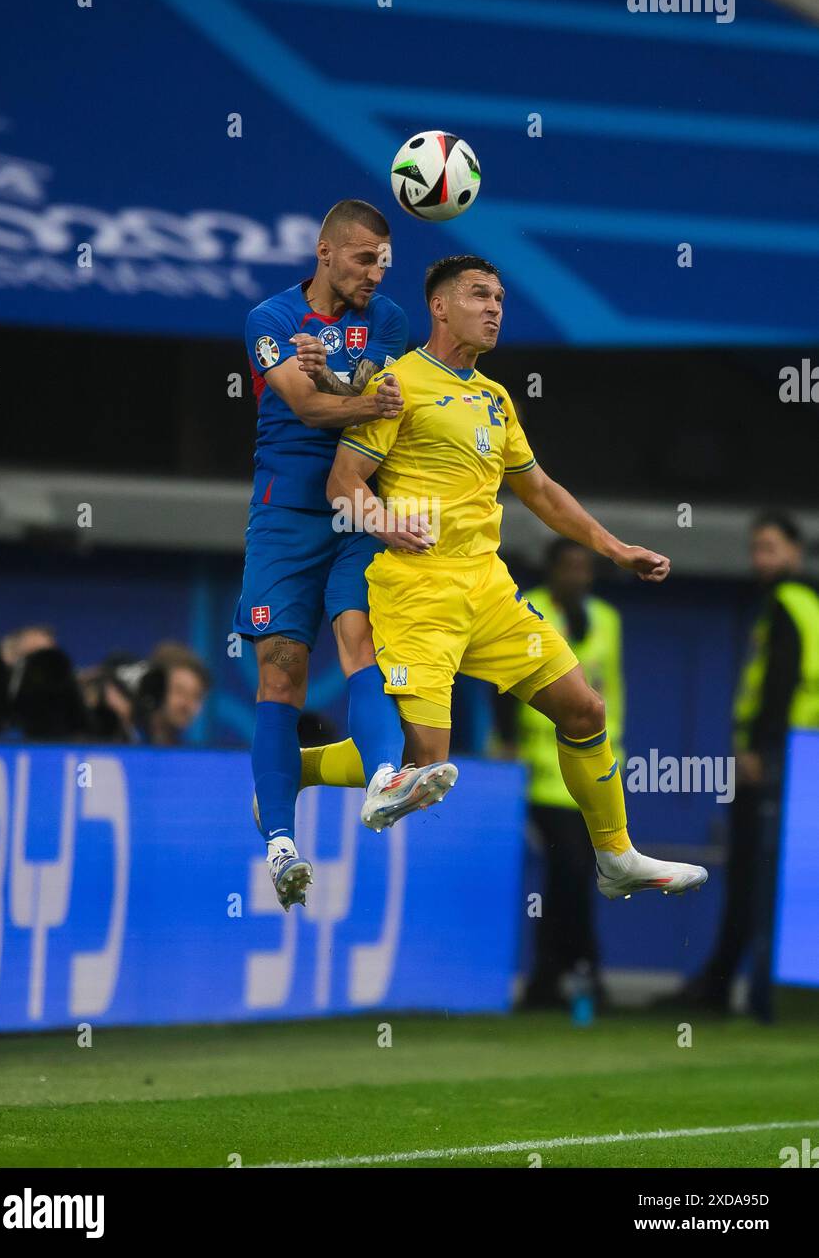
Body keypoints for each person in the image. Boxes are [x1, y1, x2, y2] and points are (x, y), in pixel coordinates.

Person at [324, 254, 708, 901]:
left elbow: (542, 492)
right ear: (440, 307)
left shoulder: (496, 400)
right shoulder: (398, 383)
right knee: (424, 766)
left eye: (501, 296)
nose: (496, 306)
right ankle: (293, 770)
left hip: (490, 590)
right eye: (480, 294)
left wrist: (616, 548)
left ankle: (615, 857)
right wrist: (384, 521)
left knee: (585, 708)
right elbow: (344, 483)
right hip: (420, 589)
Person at [234, 199, 457, 910]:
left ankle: (385, 778)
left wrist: (339, 383)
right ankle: (281, 845)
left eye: (383, 263)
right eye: (364, 259)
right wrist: (344, 389)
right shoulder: (268, 320)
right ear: (324, 251)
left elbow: (370, 399)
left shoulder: (387, 320)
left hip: (357, 507)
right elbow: (306, 406)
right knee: (281, 672)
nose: (375, 274)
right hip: (284, 518)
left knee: (358, 636)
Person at [665, 512, 819, 1014]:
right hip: (795, 757)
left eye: (771, 548)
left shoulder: (787, 606)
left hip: (775, 758)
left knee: (755, 873)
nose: (760, 559)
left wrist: (755, 748)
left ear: (796, 552)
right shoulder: (800, 605)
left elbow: (779, 682)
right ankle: (738, 985)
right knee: (763, 874)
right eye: (755, 549)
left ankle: (737, 990)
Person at [505, 540, 625, 1009]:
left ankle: (550, 979)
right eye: (569, 567)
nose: (578, 576)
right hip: (544, 773)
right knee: (572, 871)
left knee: (573, 877)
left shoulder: (608, 621)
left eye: (585, 567)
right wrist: (507, 740)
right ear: (551, 571)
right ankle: (585, 973)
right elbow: (505, 681)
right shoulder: (523, 609)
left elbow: (612, 691)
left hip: (594, 772)